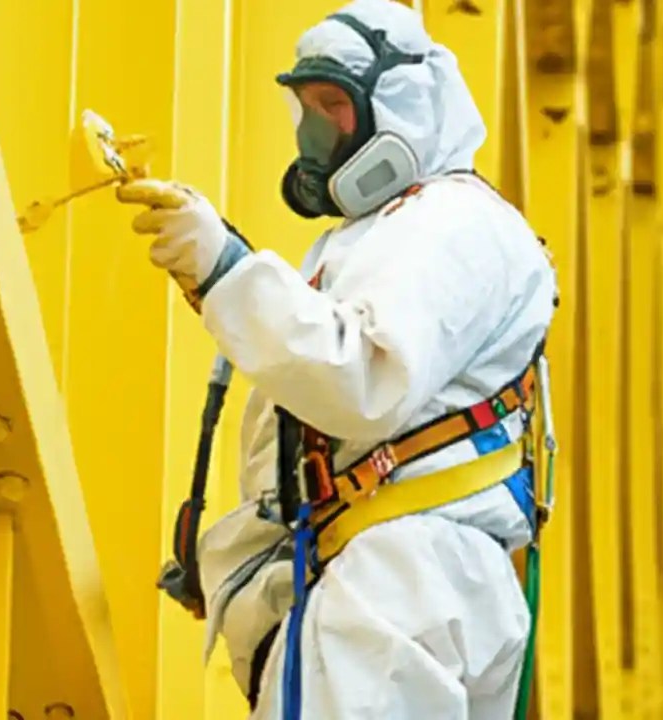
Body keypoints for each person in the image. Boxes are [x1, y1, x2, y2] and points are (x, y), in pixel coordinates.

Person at [116, 1, 557, 717]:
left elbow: (358, 378)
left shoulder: (448, 220)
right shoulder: (401, 234)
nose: (314, 129)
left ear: (405, 106)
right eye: (305, 105)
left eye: (333, 105)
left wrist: (226, 268)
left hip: (397, 587)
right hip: (416, 583)